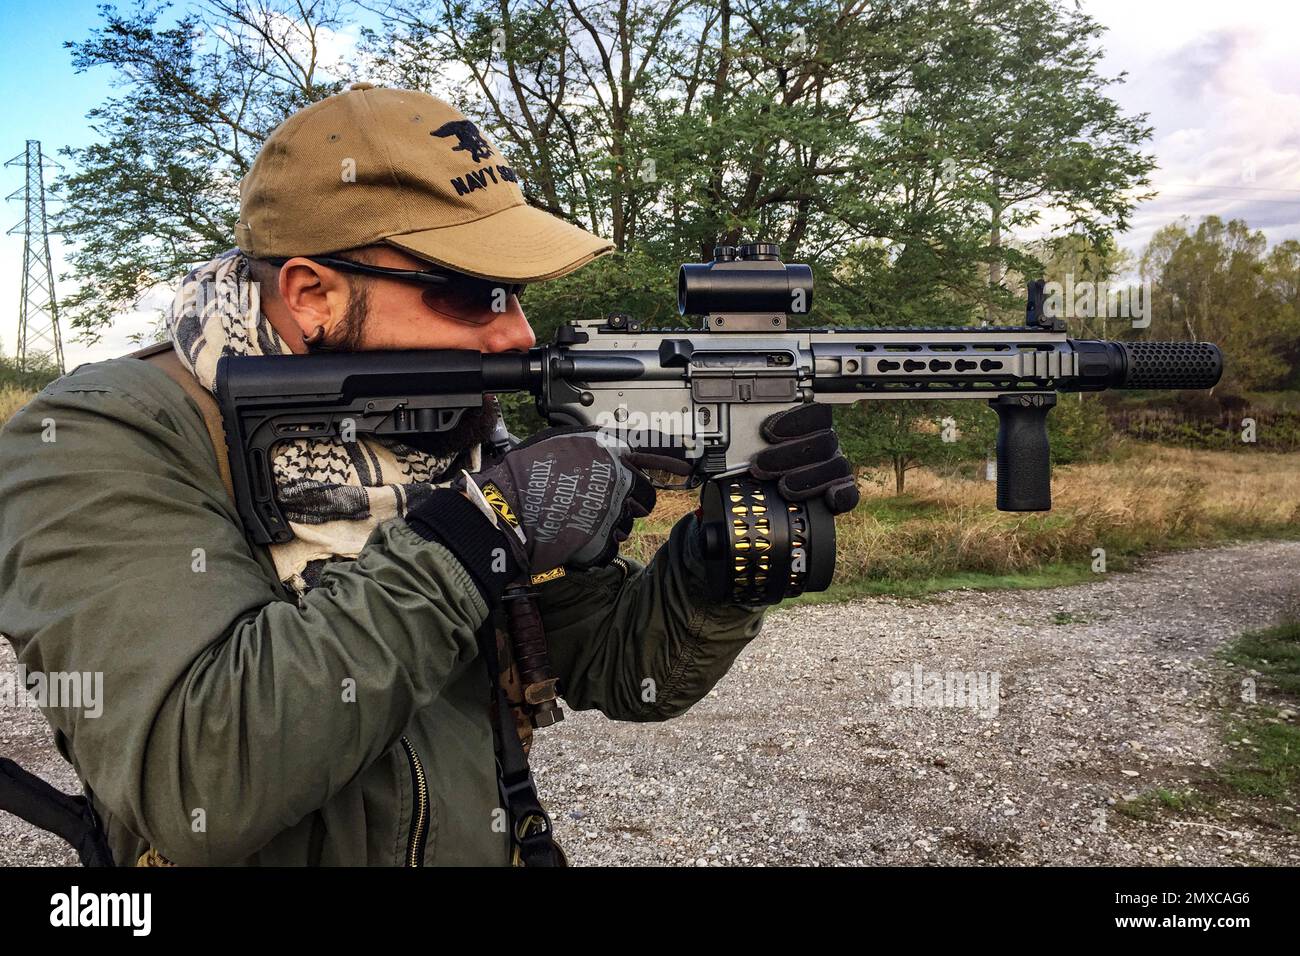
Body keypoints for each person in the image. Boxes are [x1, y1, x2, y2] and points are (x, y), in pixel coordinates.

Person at [0, 84, 858, 866]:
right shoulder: (99, 435)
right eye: (471, 294)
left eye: (516, 292)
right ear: (311, 295)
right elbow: (202, 778)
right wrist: (477, 532)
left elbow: (617, 673)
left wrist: (718, 565)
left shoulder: (442, 436)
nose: (517, 332)